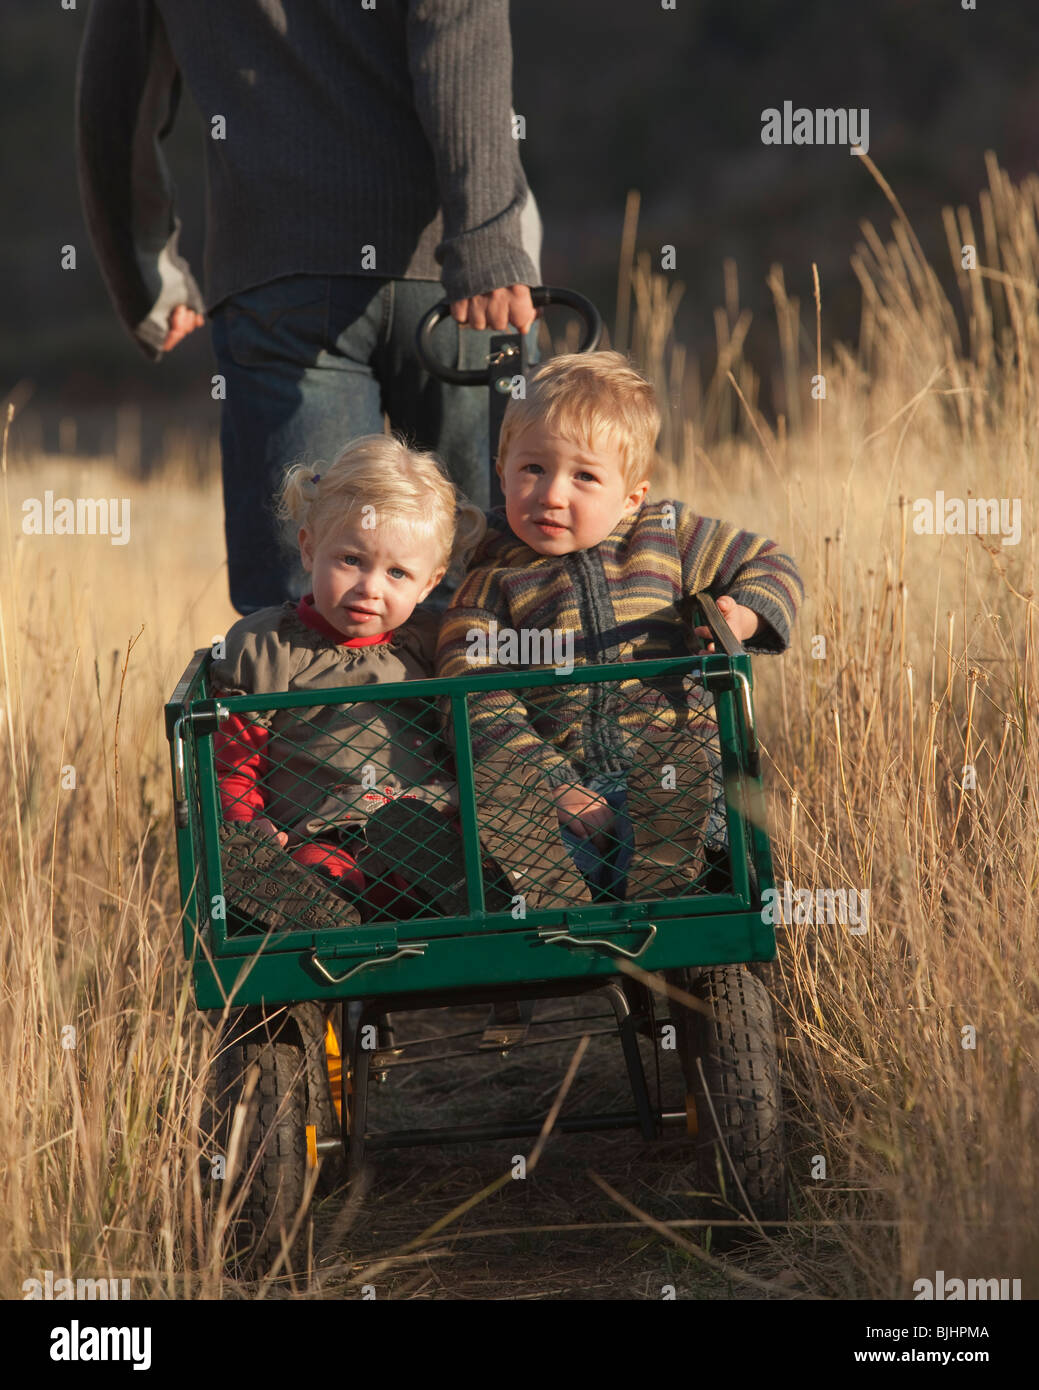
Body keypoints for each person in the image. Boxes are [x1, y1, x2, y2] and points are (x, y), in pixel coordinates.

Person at [75, 0, 542, 614]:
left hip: (278, 274)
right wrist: (485, 237)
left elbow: (117, 96)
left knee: (311, 605)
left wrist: (145, 275)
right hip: (456, 278)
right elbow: (461, 27)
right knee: (498, 587)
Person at [435, 351, 804, 902]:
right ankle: (556, 895)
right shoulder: (492, 578)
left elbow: (770, 564)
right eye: (532, 468)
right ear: (501, 470)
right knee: (525, 831)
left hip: (671, 767)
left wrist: (742, 614)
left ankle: (667, 870)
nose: (552, 494)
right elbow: (472, 692)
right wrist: (551, 781)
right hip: (568, 790)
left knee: (688, 805)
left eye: (584, 476)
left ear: (632, 496)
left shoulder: (666, 536)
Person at [210, 435, 481, 930]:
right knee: (317, 873)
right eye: (351, 560)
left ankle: (470, 894)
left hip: (420, 831)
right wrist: (249, 829)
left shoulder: (429, 644)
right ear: (309, 547)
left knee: (440, 849)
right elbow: (234, 760)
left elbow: (462, 735)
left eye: (398, 573)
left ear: (429, 582)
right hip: (318, 836)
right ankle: (317, 911)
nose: (370, 587)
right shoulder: (268, 646)